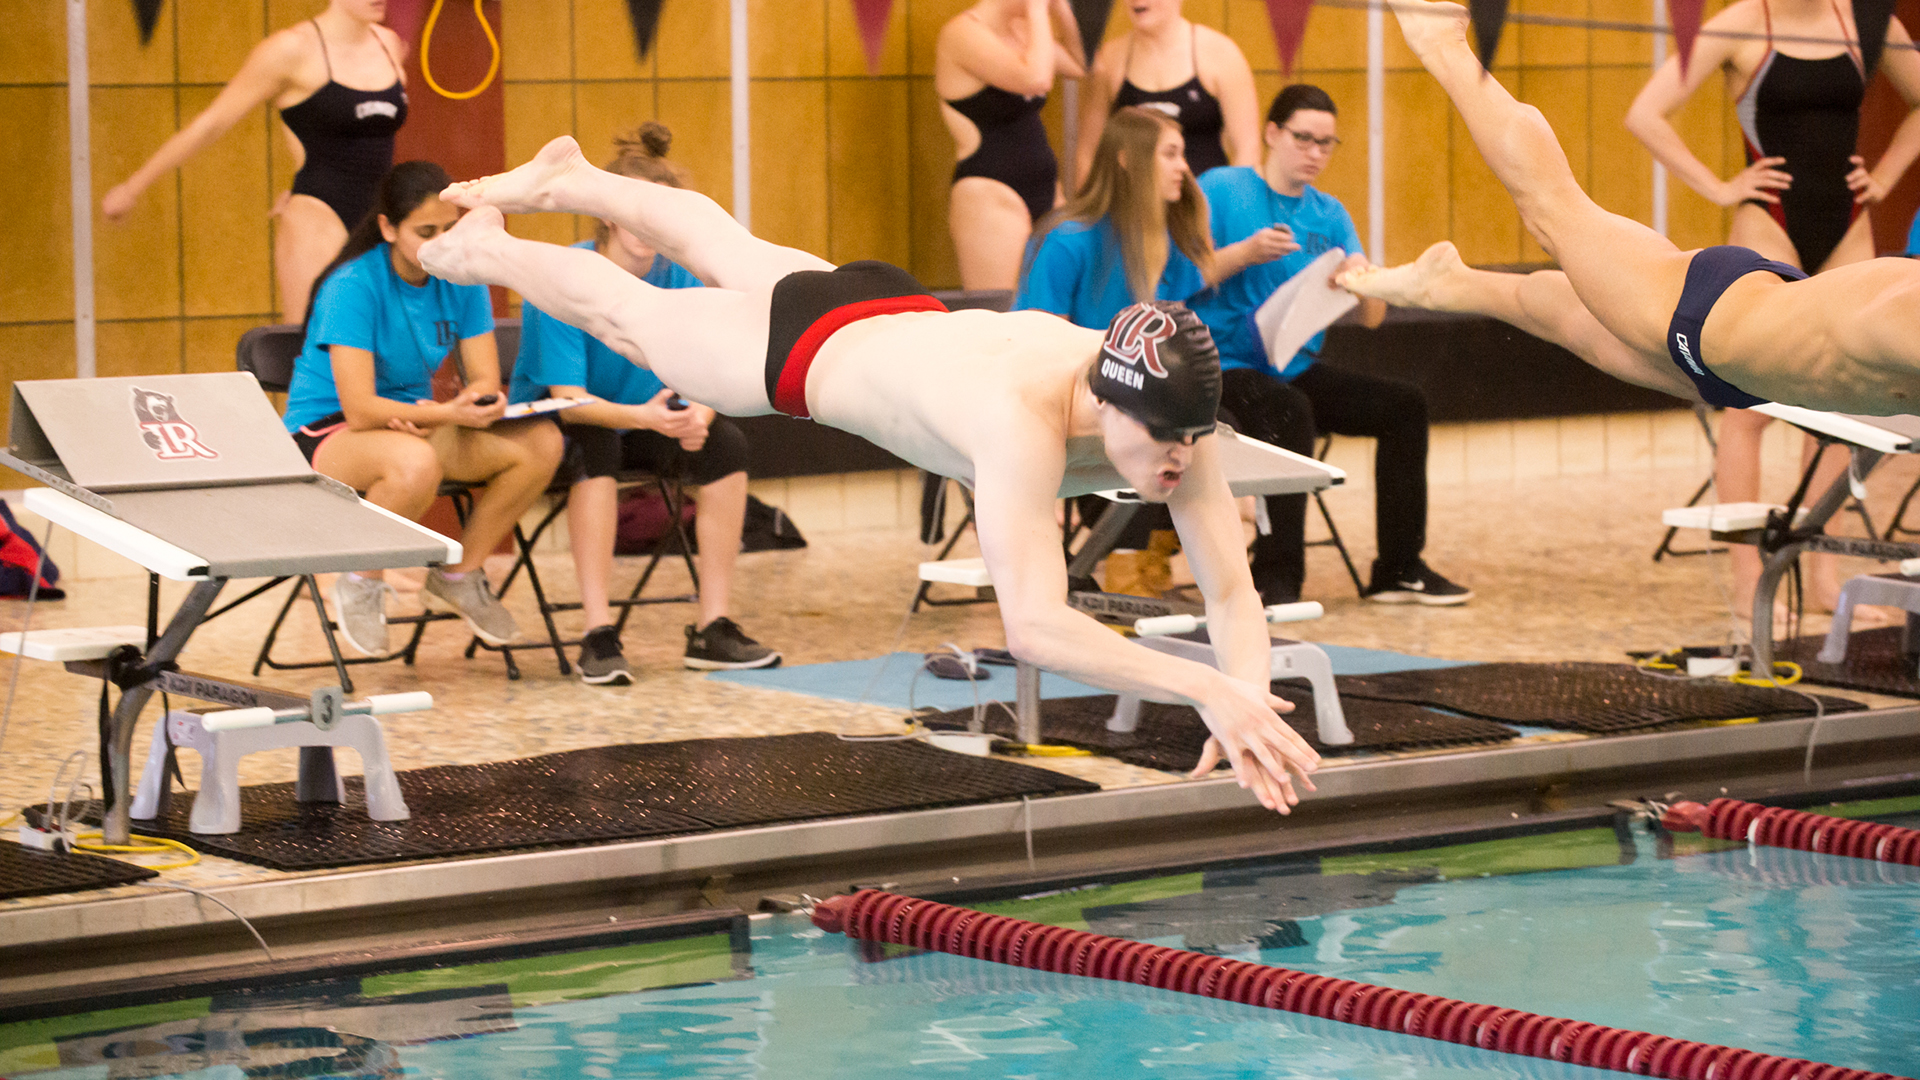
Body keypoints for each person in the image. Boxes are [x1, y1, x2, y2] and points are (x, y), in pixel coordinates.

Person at [418, 136, 1322, 814]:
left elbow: (1231, 595)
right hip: (806, 355)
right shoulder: (1022, 421)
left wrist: (1246, 704)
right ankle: (485, 251)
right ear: (1105, 400)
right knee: (632, 319)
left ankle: (572, 177)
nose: (1178, 462)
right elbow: (1037, 627)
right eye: (1164, 442)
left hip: (889, 303)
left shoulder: (1171, 412)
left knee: (727, 244)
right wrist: (1206, 688)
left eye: (1189, 442)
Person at [1340, 1, 1920, 421]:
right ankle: (1445, 48)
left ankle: (1454, 284)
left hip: (1745, 374)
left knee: (1575, 325)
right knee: (1553, 207)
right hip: (1709, 311)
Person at [1625, 0, 1920, 615]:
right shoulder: (1739, 24)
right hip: (1770, 225)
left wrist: (1886, 176)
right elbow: (1645, 114)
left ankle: (1823, 578)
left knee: (1841, 405)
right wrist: (1718, 186)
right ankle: (1746, 582)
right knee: (1749, 408)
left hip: (1848, 226)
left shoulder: (1868, 22)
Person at [508, 125, 780, 683]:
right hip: (565, 428)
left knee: (726, 445)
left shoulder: (680, 277)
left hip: (648, 420)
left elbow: (711, 367)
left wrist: (699, 414)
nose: (651, 232)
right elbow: (570, 404)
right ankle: (597, 632)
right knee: (598, 447)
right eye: (640, 218)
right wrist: (645, 418)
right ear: (609, 216)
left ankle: (713, 626)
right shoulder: (564, 277)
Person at [1192, 85, 1470, 607]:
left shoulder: (1330, 215)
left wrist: (1363, 280)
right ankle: (1276, 577)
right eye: (1303, 139)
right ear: (1272, 134)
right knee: (1290, 411)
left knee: (1404, 406)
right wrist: (1243, 254)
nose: (1315, 153)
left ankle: (1398, 569)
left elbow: (1372, 319)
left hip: (1291, 364)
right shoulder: (1223, 189)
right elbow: (1177, 276)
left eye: (1326, 143)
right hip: (1221, 365)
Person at [283, 161, 563, 658]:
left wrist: (483, 400)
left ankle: (459, 575)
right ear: (389, 228)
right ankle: (360, 579)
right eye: (425, 232)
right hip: (326, 433)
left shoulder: (463, 278)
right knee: (416, 464)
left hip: (416, 422)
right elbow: (361, 410)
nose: (440, 244)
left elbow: (482, 375)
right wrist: (448, 415)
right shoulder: (352, 286)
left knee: (542, 442)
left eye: (449, 230)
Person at [102, 0, 409, 322]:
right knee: (315, 339)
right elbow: (211, 124)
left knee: (383, 340)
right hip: (319, 217)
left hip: (379, 216)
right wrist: (132, 188)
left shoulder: (387, 43)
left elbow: (371, 134)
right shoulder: (290, 50)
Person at [1015, 106, 1214, 597]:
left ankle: (1161, 553)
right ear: (1127, 159)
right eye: (1170, 154)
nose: (1184, 168)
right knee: (1140, 423)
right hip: (1061, 405)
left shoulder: (1164, 241)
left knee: (1210, 417)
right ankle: (1125, 568)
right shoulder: (1069, 240)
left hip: (1131, 403)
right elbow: (1037, 350)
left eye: (1183, 155)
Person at [936, 0, 1087, 290]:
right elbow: (1036, 78)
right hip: (990, 194)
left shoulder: (1023, 30)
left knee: (1057, 304)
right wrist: (1037, 11)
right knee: (1002, 310)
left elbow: (1080, 65)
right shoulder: (962, 34)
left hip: (1046, 189)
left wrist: (1061, 9)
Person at [1073, 0, 1261, 184]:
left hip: (1206, 200)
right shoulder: (1111, 59)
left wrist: (1230, 203)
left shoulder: (1220, 54)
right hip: (1133, 202)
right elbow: (1087, 153)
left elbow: (1248, 150)